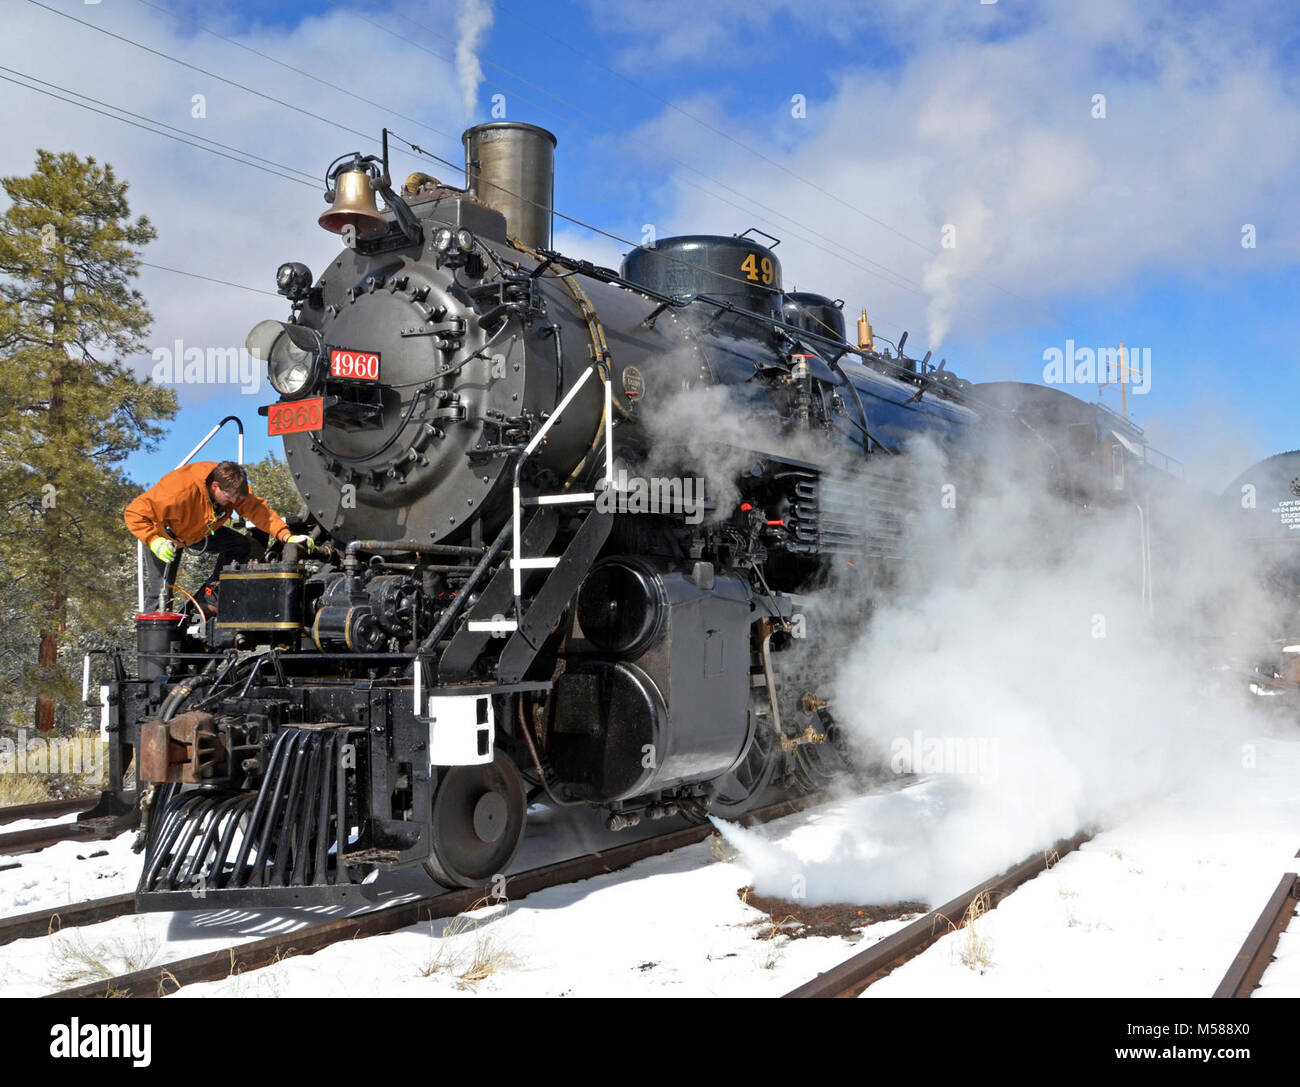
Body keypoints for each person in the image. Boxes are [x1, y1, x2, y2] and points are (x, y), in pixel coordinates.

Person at [125, 460, 313, 612]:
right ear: (215, 486)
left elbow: (259, 511)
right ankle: (154, 651)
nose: (233, 502)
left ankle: (213, 594)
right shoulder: (178, 491)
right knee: (161, 591)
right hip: (165, 538)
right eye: (229, 497)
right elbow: (134, 513)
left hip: (199, 531)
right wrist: (154, 540)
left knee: (240, 545)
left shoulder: (235, 491)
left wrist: (287, 536)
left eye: (236, 498)